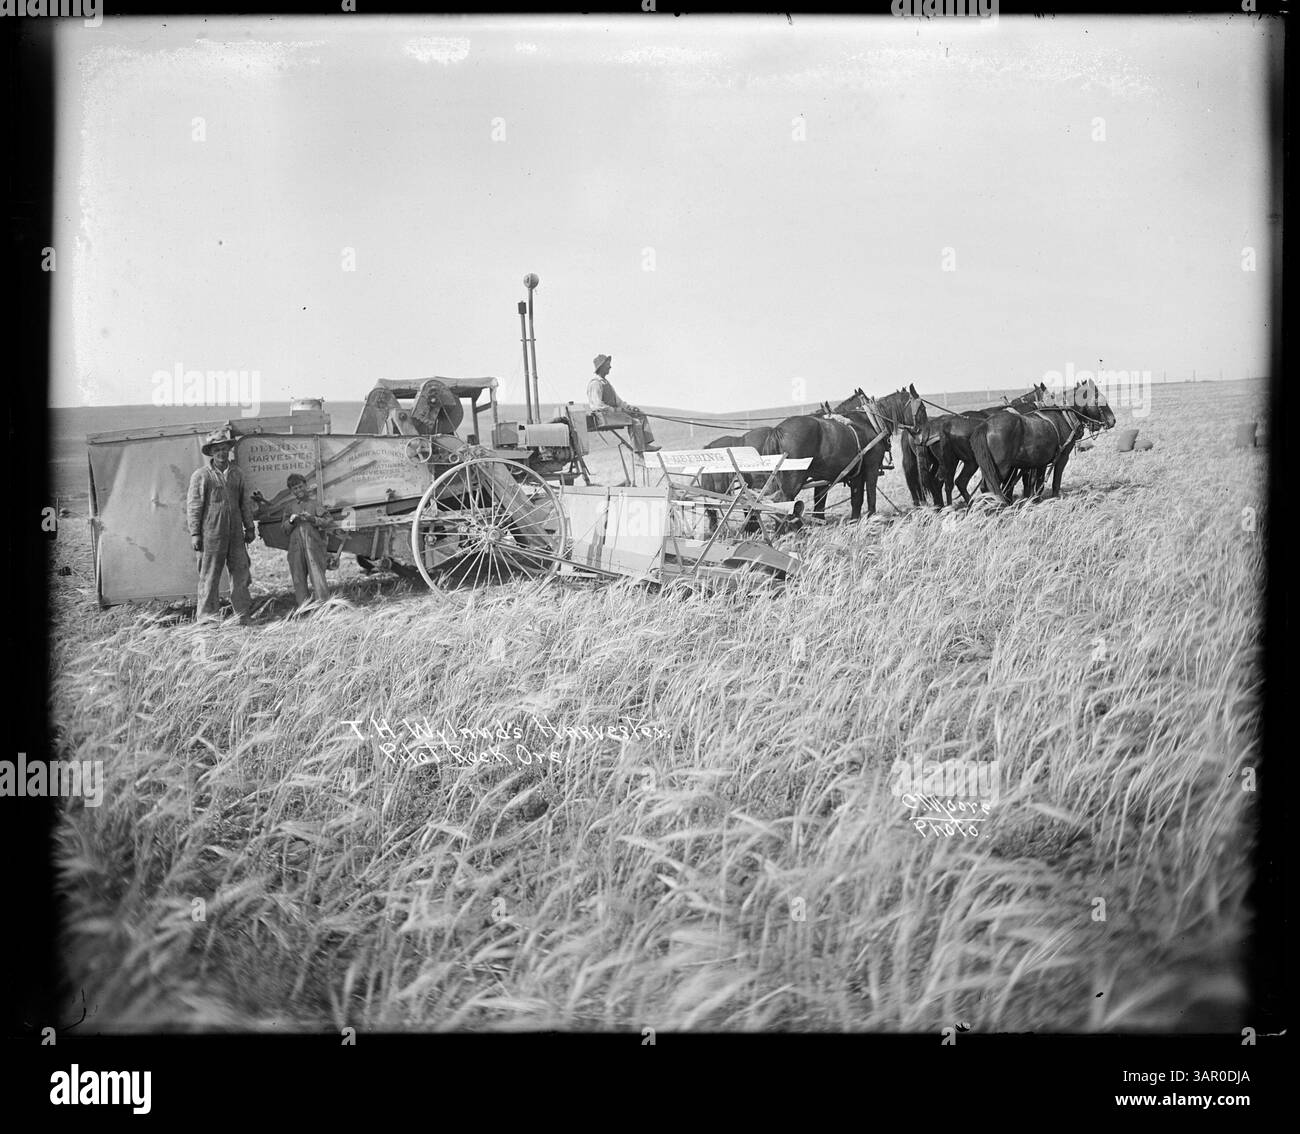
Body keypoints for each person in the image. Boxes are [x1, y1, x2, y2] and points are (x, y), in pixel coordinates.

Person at [187, 426, 256, 624]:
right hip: (211, 533)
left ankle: (242, 615)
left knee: (241, 573)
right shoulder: (201, 476)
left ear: (229, 450)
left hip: (235, 533)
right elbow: (194, 506)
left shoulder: (237, 474)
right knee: (209, 575)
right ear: (210, 452)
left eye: (224, 448)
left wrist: (249, 527)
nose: (221, 452)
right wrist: (195, 534)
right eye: (217, 449)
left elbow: (245, 502)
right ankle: (208, 619)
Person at [283, 473, 335, 609]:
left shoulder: (314, 504)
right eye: (295, 488)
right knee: (298, 577)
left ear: (305, 486)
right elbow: (284, 529)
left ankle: (323, 606)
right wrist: (291, 521)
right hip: (295, 547)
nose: (299, 490)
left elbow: (328, 521)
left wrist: (312, 519)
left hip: (313, 545)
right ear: (291, 491)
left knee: (317, 574)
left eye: (300, 486)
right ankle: (304, 607)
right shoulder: (290, 507)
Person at [587, 354, 659, 452]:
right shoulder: (595, 383)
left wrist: (629, 408)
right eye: (608, 364)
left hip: (613, 413)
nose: (610, 367)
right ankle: (639, 448)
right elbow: (597, 405)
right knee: (635, 422)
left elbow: (618, 401)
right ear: (602, 366)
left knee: (640, 414)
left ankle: (646, 444)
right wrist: (615, 409)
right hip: (605, 415)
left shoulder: (606, 383)